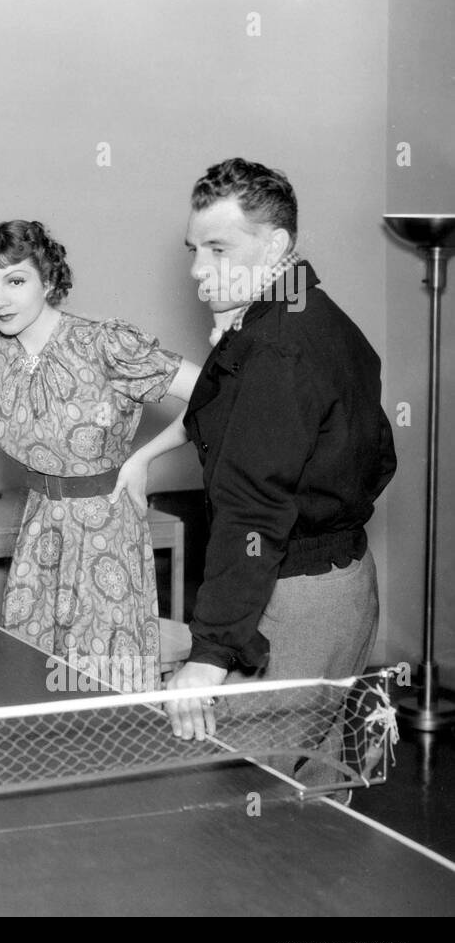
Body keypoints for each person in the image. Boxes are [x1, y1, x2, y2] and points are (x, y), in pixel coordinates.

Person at [164, 159, 396, 764]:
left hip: (291, 597)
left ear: (277, 246)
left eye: (219, 249)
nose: (197, 270)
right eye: (194, 249)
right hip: (347, 585)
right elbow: (380, 458)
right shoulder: (325, 320)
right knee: (311, 791)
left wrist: (209, 656)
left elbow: (252, 512)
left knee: (242, 796)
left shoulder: (275, 349)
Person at [0, 220, 201, 691]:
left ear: (49, 281)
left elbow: (210, 394)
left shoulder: (103, 345)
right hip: (39, 526)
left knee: (104, 679)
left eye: (16, 281)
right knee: (32, 675)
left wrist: (141, 459)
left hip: (106, 527)